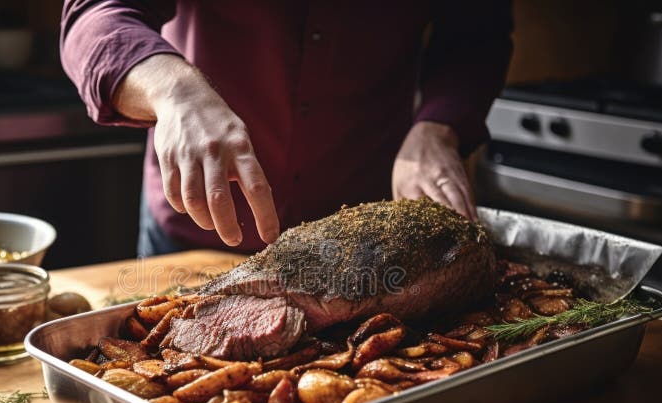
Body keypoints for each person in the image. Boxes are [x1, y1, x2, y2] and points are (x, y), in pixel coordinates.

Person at [60, 1, 513, 256]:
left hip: (362, 237)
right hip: (196, 231)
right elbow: (96, 14)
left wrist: (438, 126)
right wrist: (171, 88)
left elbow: (475, 36)